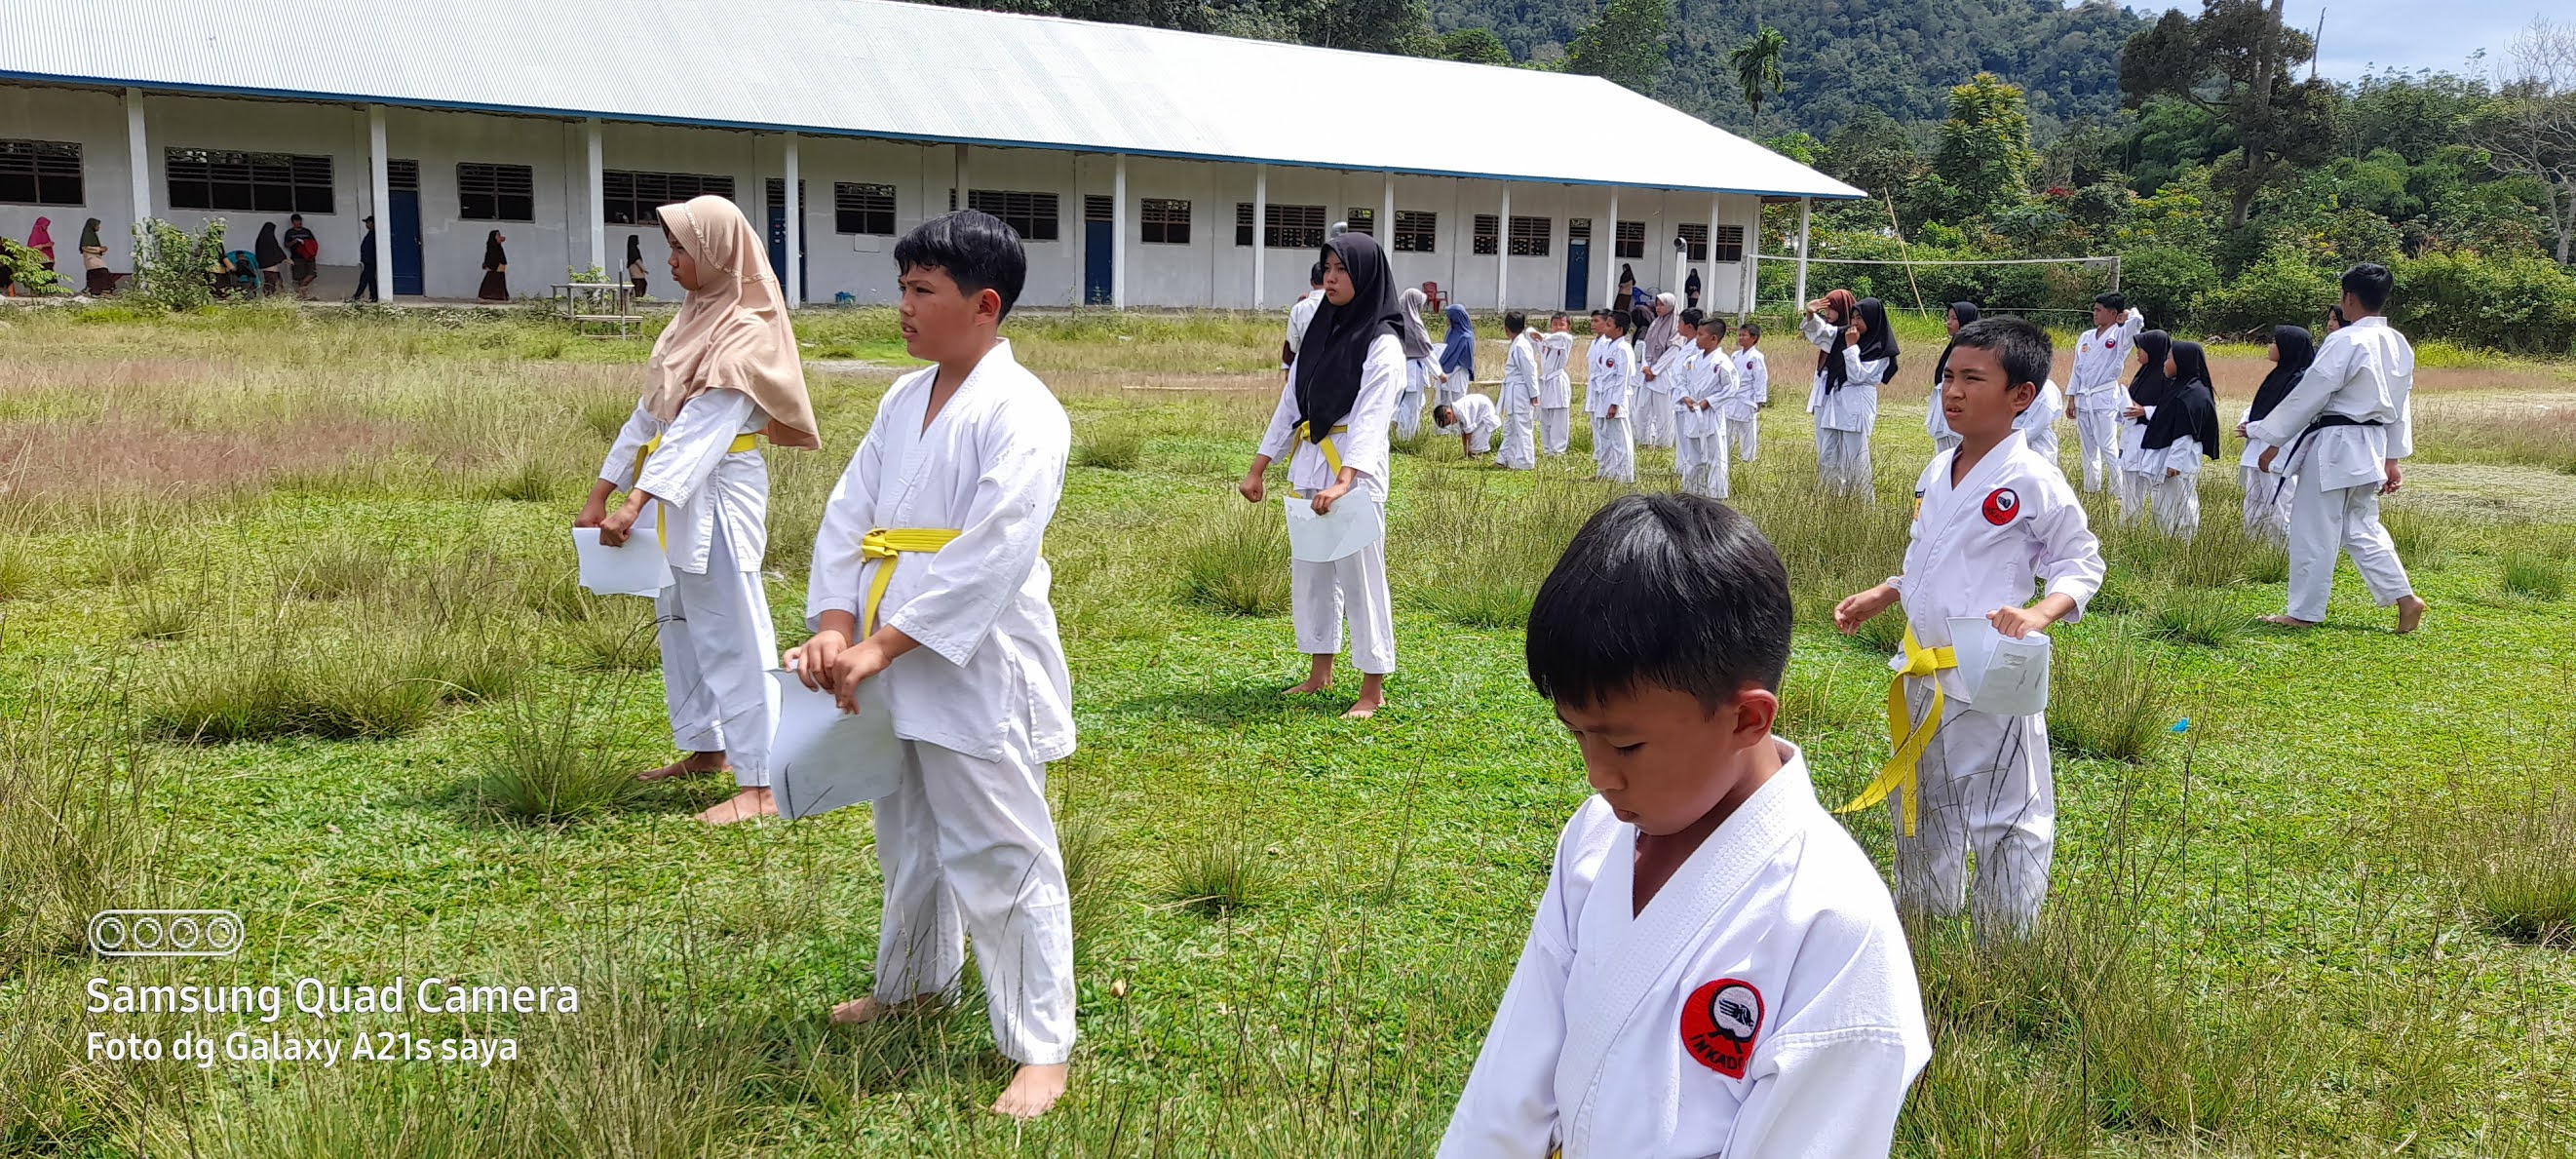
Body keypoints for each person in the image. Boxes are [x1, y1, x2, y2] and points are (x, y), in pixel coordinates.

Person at [1439, 493, 1931, 1159]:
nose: (1598, 776)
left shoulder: (1834, 926)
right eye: (1577, 735)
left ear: (1746, 719)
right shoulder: (1595, 837)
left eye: (1626, 745)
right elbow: (1509, 1087)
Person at [787, 209, 1076, 1120]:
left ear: (985, 304)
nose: (903, 307)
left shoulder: (1023, 410)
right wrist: (837, 623)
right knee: (906, 832)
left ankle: (1040, 1045)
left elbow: (993, 551)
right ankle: (913, 983)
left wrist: (879, 642)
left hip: (973, 659)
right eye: (901, 287)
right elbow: (850, 511)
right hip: (886, 649)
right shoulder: (901, 399)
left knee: (998, 846)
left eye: (923, 290)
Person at [1833, 316, 2101, 940]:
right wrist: (1888, 592)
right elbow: (1932, 559)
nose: (1952, 392)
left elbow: (2081, 560)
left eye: (1972, 379)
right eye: (1948, 376)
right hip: (1923, 661)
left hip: (1992, 661)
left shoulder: (2031, 477)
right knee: (1927, 796)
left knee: (2006, 807)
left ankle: (2002, 943)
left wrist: (2040, 612)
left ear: (2021, 396)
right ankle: (1924, 915)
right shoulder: (1937, 469)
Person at [581, 194, 821, 827]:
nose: (670, 260)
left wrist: (635, 499)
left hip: (716, 496)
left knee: (732, 629)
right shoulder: (692, 319)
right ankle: (706, 747)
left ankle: (762, 779)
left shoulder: (747, 330)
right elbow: (650, 414)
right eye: (671, 248)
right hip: (670, 495)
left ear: (717, 253)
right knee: (680, 624)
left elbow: (700, 432)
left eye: (682, 248)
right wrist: (601, 489)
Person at [1241, 231, 1403, 719]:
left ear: (1366, 276)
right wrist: (1259, 467)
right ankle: (1320, 671)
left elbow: (1373, 417)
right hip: (1312, 462)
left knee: (1360, 578)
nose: (1330, 278)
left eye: (1341, 270)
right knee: (1312, 573)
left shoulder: (1383, 343)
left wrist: (1346, 478)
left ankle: (1372, 687)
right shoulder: (1319, 330)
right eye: (1327, 269)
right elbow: (1291, 402)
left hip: (1353, 469)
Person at [2248, 263, 2428, 634]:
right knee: (2361, 525)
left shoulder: (2346, 340)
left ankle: (2304, 611)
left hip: (2336, 444)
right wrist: (2392, 458)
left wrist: (2273, 441)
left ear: (2348, 298)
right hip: (2374, 443)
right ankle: (2405, 598)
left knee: (2314, 526)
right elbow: (2401, 403)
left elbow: (2311, 394)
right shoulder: (2398, 343)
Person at [1803, 292, 1895, 499]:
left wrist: (1852, 347)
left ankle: (1860, 505)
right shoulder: (1844, 335)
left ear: (1872, 319)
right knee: (1827, 454)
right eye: (1853, 317)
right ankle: (1830, 500)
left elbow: (1857, 376)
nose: (1854, 323)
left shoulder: (1880, 350)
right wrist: (1810, 314)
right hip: (1835, 403)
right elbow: (1822, 333)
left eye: (1860, 318)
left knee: (1855, 459)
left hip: (1857, 404)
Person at [2135, 339, 2220, 540]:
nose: (2165, 363)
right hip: (2169, 458)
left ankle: (2184, 542)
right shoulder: (2179, 388)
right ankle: (2163, 541)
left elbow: (2186, 433)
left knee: (2181, 504)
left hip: (2179, 462)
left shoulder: (2193, 394)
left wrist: (2175, 462)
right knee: (2164, 504)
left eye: (2169, 358)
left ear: (2182, 361)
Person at [2235, 326, 2313, 542]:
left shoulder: (2300, 381)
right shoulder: (2278, 376)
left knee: (2279, 508)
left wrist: (2252, 429)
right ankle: (2255, 550)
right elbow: (2258, 407)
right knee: (2254, 506)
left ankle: (2282, 554)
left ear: (2288, 348)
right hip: (2257, 450)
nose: (2270, 346)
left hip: (2279, 454)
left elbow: (2289, 418)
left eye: (2275, 342)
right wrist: (2246, 421)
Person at [2064, 293, 2146, 493]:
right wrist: (2072, 398)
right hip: (2083, 397)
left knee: (2108, 446)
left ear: (2112, 313)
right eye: (2094, 309)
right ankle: (2091, 487)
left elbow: (2137, 322)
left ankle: (2117, 489)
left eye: (2099, 310)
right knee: (2088, 447)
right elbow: (2077, 369)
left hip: (2104, 397)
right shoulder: (2086, 337)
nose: (2095, 313)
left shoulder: (2120, 335)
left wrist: (2126, 315)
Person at [2112, 330, 2174, 527]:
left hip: (2151, 441)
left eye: (2141, 348)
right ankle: (2128, 526)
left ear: (2153, 351)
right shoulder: (2142, 375)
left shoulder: (2167, 378)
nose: (2138, 352)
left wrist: (2144, 411)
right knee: (2131, 487)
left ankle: (2159, 529)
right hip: (2133, 437)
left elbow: (2171, 410)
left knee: (2154, 490)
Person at [1673, 311, 1735, 499]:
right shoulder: (1692, 361)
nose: (1697, 338)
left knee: (1716, 456)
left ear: (1714, 338)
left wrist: (1710, 401)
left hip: (1711, 414)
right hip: (1693, 411)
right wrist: (1685, 397)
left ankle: (1716, 493)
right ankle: (1692, 492)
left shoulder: (1722, 362)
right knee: (1692, 455)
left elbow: (1731, 387)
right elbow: (1680, 381)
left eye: (1701, 335)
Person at [1587, 309, 1635, 483]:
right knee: (1605, 437)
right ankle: (1606, 472)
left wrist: (1615, 403)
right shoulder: (1607, 346)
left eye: (1608, 325)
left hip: (1616, 397)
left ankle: (1624, 476)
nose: (1605, 328)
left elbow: (1623, 378)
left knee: (1620, 439)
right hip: (1603, 395)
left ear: (1619, 329)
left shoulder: (1623, 349)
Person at [1925, 302, 1980, 454]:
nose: (1948, 322)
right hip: (1946, 407)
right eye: (1948, 318)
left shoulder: (1974, 351)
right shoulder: (1954, 347)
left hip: (1962, 407)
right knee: (1943, 456)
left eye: (1954, 318)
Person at [1634, 293, 1682, 450]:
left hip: (1663, 373)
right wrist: (1645, 367)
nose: (1658, 308)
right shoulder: (1655, 323)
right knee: (1642, 409)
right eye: (1657, 304)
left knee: (1663, 411)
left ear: (1670, 306)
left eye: (1662, 304)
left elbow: (1673, 351)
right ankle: (1643, 441)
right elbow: (1647, 347)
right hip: (1648, 372)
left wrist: (1655, 371)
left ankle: (1664, 444)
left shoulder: (1676, 327)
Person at [1495, 311, 1540, 470]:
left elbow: (1530, 371)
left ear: (1506, 329)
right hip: (1513, 390)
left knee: (1522, 425)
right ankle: (1503, 459)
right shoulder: (1517, 343)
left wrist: (1534, 393)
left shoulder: (1521, 345)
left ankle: (1526, 461)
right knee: (1510, 426)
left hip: (1520, 390)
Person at [1394, 287, 1438, 441]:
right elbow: (1426, 351)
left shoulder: (1396, 321)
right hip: (1412, 371)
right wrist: (1439, 373)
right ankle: (1406, 438)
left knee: (1409, 405)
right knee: (1410, 406)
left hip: (1403, 369)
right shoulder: (1413, 325)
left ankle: (1408, 436)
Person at [1536, 312, 1575, 455]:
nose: (1558, 327)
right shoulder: (1546, 341)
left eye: (1562, 324)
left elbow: (1557, 338)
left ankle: (1558, 450)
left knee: (1559, 417)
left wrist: (1542, 337)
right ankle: (1547, 449)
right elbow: (1531, 335)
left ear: (1568, 327)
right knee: (1545, 417)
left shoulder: (1566, 339)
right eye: (1555, 324)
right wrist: (1538, 336)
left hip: (1558, 380)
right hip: (1546, 381)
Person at [1728, 322, 1767, 463]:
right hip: (1733, 396)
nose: (1740, 338)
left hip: (1747, 397)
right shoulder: (1735, 355)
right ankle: (1726, 454)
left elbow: (1760, 379)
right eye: (1739, 335)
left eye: (1744, 335)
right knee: (1728, 429)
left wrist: (1759, 399)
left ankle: (1748, 457)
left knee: (1747, 430)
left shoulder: (1756, 357)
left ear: (1754, 338)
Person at [1284, 261, 1326, 370]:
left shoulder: (1298, 308)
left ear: (1312, 282)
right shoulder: (1340, 306)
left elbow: (1293, 345)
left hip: (1306, 366)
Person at [1435, 394, 1501, 457]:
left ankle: (1479, 454)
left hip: (1484, 410)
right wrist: (1465, 449)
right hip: (1477, 412)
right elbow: (1463, 432)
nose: (1451, 424)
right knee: (1473, 444)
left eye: (1449, 422)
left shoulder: (1461, 412)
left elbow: (1469, 431)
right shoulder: (1456, 411)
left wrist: (1468, 448)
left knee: (1476, 442)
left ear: (1448, 413)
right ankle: (1475, 453)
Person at [1437, 302, 1476, 407]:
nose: (1446, 319)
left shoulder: (1466, 337)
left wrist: (1445, 373)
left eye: (1448, 317)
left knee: (1458, 406)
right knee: (1443, 407)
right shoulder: (1450, 332)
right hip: (1445, 375)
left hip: (1458, 375)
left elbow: (1462, 361)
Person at [284, 213, 319, 297]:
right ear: (293, 222)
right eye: (297, 221)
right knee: (299, 277)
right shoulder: (290, 232)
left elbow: (314, 243)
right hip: (297, 257)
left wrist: (306, 243)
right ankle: (303, 295)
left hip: (309, 256)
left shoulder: (307, 231)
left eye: (300, 221)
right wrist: (294, 242)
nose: (299, 223)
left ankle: (299, 290)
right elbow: (286, 244)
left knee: (312, 274)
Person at [78, 218, 113, 295]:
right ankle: (101, 290)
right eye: (97, 225)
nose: (98, 227)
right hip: (91, 258)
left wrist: (101, 249)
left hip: (95, 258)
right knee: (102, 272)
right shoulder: (87, 234)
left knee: (98, 273)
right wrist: (99, 249)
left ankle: (96, 291)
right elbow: (85, 247)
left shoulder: (92, 234)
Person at [349, 216, 379, 302]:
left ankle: (357, 296)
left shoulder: (374, 234)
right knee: (371, 279)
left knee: (364, 278)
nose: (366, 224)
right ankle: (374, 296)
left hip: (371, 260)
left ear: (373, 223)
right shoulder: (371, 233)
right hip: (368, 260)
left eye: (368, 222)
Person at [253, 222, 288, 296]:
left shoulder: (260, 239)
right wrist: (284, 258)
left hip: (264, 264)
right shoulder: (270, 240)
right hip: (271, 264)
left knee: (271, 280)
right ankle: (269, 295)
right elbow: (276, 249)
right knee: (272, 281)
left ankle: (269, 295)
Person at [479, 230, 510, 300]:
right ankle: (482, 297)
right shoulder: (492, 247)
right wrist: (492, 266)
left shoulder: (498, 247)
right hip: (494, 267)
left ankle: (502, 297)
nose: (499, 237)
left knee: (500, 282)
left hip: (499, 267)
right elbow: (489, 258)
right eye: (497, 235)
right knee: (489, 282)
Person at [626, 234, 651, 298]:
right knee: (640, 286)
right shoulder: (633, 251)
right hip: (637, 274)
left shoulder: (631, 250)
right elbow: (637, 260)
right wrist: (644, 269)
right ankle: (638, 299)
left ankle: (636, 297)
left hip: (636, 273)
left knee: (638, 286)